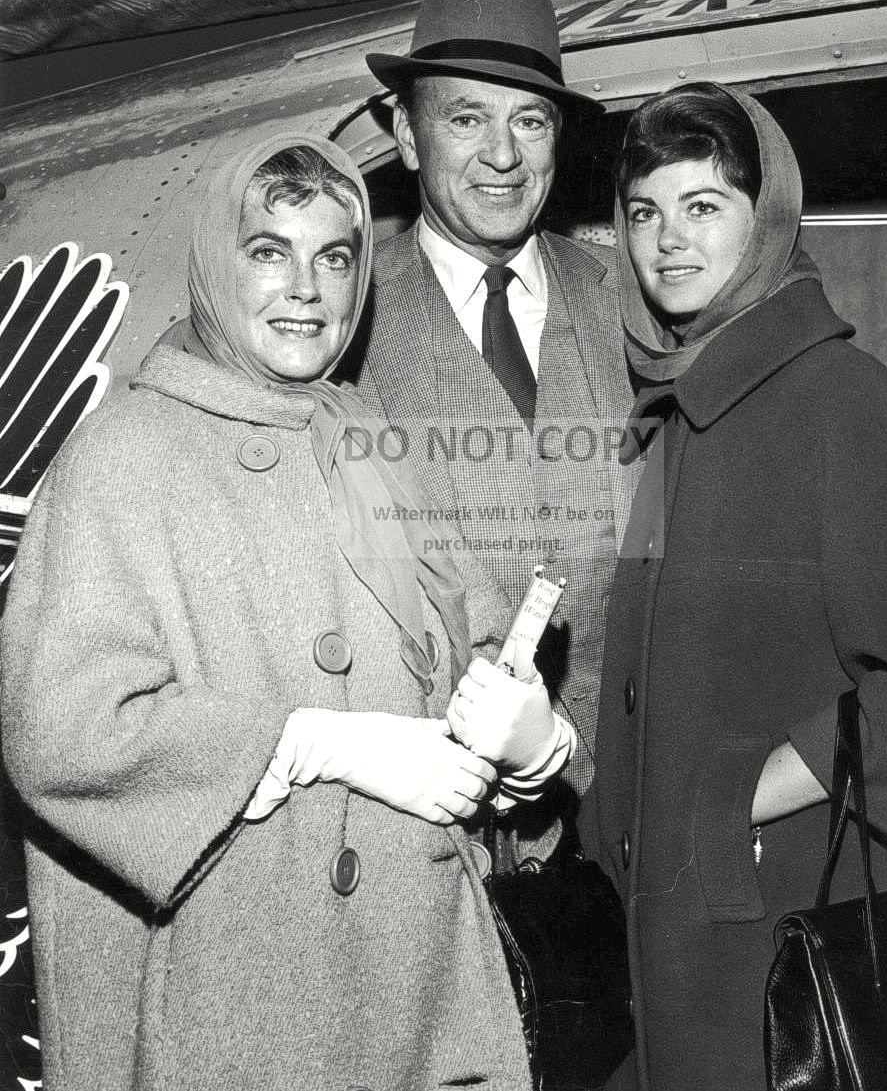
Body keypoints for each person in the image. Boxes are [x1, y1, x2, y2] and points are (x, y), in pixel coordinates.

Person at [0, 131, 570, 1091]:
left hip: (423, 982)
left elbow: (470, 650)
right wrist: (312, 742)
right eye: (270, 252)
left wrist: (527, 741)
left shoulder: (369, 440)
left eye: (335, 258)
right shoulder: (123, 459)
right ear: (218, 268)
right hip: (241, 1002)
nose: (307, 288)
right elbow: (60, 730)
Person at [584, 82, 887, 1090]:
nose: (668, 240)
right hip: (675, 941)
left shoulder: (841, 403)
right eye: (644, 211)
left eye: (702, 206)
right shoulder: (682, 406)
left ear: (763, 220)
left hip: (777, 937)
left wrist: (737, 800)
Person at [357, 0, 640, 857]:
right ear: (408, 135)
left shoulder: (629, 300)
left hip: (622, 825)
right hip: (428, 844)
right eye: (466, 118)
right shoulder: (342, 317)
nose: (503, 155)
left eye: (530, 121)